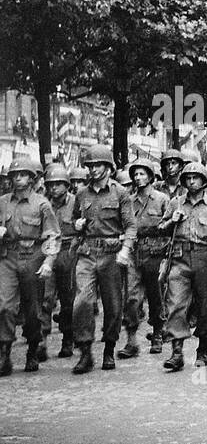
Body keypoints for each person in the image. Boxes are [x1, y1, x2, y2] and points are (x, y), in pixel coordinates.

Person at [71, 144, 137, 373]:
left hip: (112, 255)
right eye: (90, 166)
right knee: (82, 302)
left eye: (98, 165)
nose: (93, 170)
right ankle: (85, 352)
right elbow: (74, 222)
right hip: (87, 253)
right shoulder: (81, 194)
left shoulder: (121, 193)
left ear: (109, 167)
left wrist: (125, 250)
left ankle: (109, 348)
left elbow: (130, 226)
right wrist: (77, 226)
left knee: (113, 305)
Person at [160, 161, 207, 370]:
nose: (191, 182)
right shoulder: (175, 203)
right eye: (188, 178)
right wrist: (172, 221)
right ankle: (177, 351)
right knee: (176, 303)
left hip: (204, 258)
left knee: (205, 305)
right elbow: (161, 228)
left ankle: (203, 349)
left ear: (203, 181)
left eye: (195, 178)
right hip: (179, 258)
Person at [0, 157, 59, 375]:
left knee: (33, 310)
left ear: (32, 178)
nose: (18, 179)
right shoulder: (3, 202)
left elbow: (53, 236)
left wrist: (48, 262)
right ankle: (4, 352)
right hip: (7, 257)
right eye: (14, 175)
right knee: (4, 305)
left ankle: (33, 347)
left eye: (23, 175)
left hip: (32, 257)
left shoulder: (42, 204)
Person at [119, 155, 171, 359]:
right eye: (136, 174)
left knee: (156, 295)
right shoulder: (128, 201)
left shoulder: (161, 199)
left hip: (156, 253)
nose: (138, 178)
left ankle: (158, 333)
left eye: (142, 174)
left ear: (150, 176)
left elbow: (170, 228)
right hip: (134, 252)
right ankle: (131, 340)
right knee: (131, 297)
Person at [41, 163, 79, 357]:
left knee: (68, 299)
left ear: (67, 185)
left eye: (58, 184)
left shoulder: (76, 202)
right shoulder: (42, 203)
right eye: (50, 184)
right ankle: (42, 340)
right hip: (48, 251)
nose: (53, 188)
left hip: (69, 251)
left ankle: (68, 338)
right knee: (45, 298)